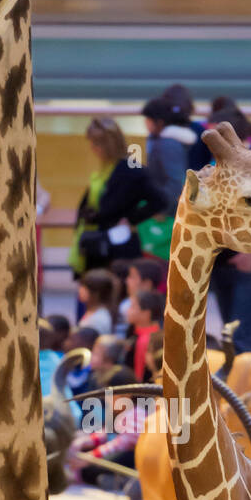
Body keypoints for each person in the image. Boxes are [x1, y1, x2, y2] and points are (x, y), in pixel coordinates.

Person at [205, 100, 251, 355]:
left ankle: (245, 393)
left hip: (244, 260)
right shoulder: (220, 159)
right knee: (230, 334)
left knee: (242, 338)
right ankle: (233, 389)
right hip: (221, 256)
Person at [71, 118, 165, 273]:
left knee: (113, 288)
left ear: (109, 144)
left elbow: (159, 200)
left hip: (116, 245)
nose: (93, 148)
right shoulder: (105, 168)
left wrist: (130, 219)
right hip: (96, 239)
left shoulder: (131, 170)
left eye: (96, 144)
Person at [162, 83, 211, 170]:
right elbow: (207, 161)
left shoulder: (160, 132)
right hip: (196, 180)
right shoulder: (200, 131)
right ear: (189, 106)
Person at [123, 289, 165, 383]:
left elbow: (139, 377)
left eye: (133, 307)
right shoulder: (133, 330)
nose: (128, 310)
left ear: (146, 313)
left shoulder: (145, 340)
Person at [77, 268, 118, 335]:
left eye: (84, 288)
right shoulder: (92, 311)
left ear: (96, 293)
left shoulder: (98, 319)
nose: (80, 290)